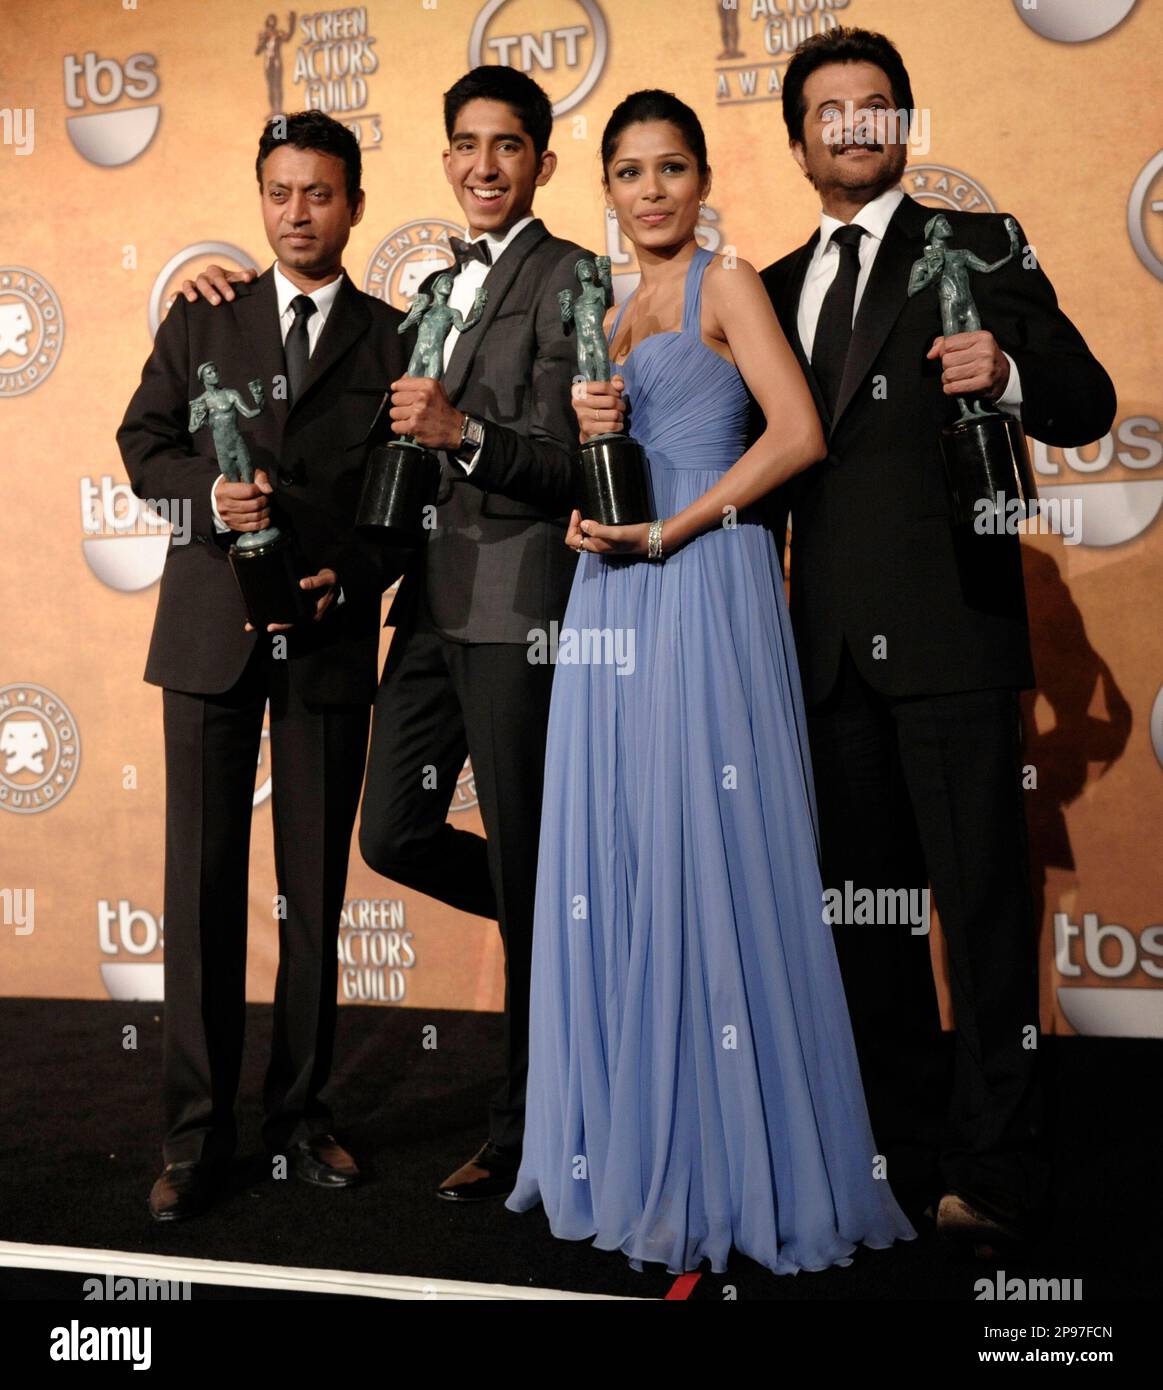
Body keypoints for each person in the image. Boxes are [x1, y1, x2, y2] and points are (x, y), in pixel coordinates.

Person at [505, 89, 916, 1276]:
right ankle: (627, 1148)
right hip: (613, 588)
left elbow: (794, 436)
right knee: (619, 856)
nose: (650, 191)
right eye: (628, 172)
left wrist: (672, 529)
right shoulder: (607, 308)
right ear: (606, 189)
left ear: (701, 177)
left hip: (698, 577)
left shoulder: (723, 282)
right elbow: (599, 465)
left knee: (703, 854)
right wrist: (596, 475)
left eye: (671, 167)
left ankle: (724, 1159)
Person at [759, 27, 1117, 1254]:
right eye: (828, 110)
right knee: (863, 924)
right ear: (797, 137)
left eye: (873, 107)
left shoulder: (978, 238)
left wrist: (1007, 368)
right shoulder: (766, 281)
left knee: (980, 916)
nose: (850, 127)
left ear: (901, 125)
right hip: (821, 662)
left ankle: (994, 1164)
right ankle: (895, 1154)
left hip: (953, 642)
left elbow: (1085, 398)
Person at [118, 110, 409, 1221]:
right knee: (198, 895)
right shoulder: (206, 319)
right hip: (206, 641)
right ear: (261, 198)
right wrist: (207, 492)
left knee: (313, 898)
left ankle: (302, 1117)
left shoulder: (391, 341)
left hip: (326, 646)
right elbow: (143, 445)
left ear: (354, 204)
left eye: (320, 193)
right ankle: (195, 1138)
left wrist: (356, 571)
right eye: (281, 193)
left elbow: (404, 507)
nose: (299, 213)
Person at [356, 66, 599, 1201]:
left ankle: (524, 1131)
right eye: (464, 144)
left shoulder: (570, 280)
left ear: (542, 163)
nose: (483, 165)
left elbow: (566, 463)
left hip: (517, 611)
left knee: (528, 851)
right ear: (445, 157)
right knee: (395, 834)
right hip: (427, 611)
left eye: (507, 146)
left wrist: (463, 435)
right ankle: (566, 905)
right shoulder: (430, 286)